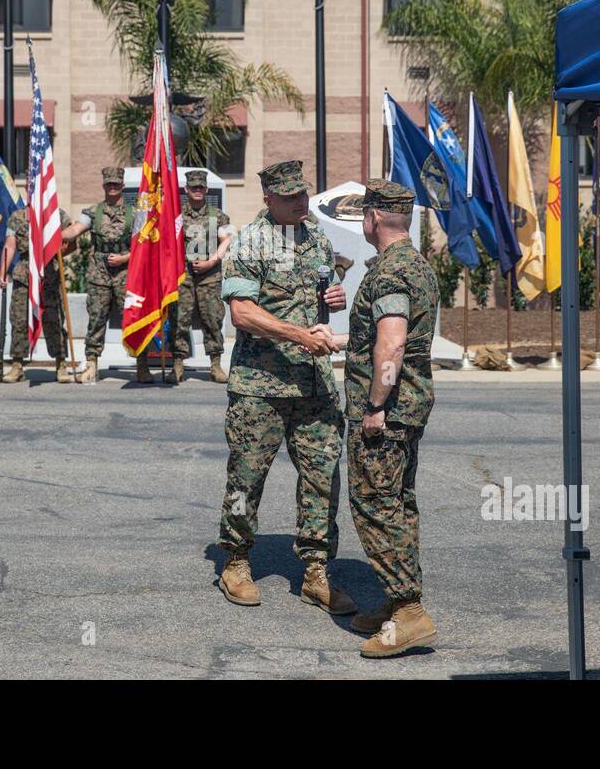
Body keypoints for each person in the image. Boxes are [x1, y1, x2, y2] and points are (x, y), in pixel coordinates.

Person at [214, 159, 355, 616]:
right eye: (291, 196)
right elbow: (243, 314)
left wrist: (334, 298)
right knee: (247, 476)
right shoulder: (249, 241)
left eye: (303, 195)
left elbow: (323, 293)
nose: (300, 202)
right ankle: (235, 560)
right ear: (268, 198)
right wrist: (299, 335)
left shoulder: (315, 236)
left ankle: (316, 570)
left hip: (313, 385)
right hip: (262, 385)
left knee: (321, 478)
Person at [331, 180, 439, 658]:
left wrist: (375, 406)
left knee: (375, 504)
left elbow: (392, 346)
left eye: (363, 214)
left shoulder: (391, 273)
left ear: (374, 217)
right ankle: (399, 602)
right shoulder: (415, 264)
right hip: (408, 407)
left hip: (388, 412)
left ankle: (410, 612)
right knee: (398, 503)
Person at [62, 166, 152, 383]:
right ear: (103, 186)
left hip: (127, 275)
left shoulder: (136, 213)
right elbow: (74, 230)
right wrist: (54, 233)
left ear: (122, 186)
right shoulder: (92, 212)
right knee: (96, 319)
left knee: (134, 319)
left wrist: (124, 258)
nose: (112, 187)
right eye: (108, 184)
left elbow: (144, 245)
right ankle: (91, 363)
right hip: (99, 276)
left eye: (116, 184)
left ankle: (142, 365)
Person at [0, 205, 74, 383]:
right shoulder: (16, 217)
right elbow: (10, 246)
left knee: (54, 320)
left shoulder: (57, 215)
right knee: (19, 320)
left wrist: (57, 252)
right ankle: (17, 365)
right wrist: (3, 272)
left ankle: (61, 364)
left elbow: (72, 243)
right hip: (24, 276)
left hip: (50, 276)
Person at [173, 169, 233, 384]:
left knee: (212, 320)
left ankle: (215, 365)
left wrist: (212, 261)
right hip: (183, 277)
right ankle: (177, 364)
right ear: (186, 189)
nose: (197, 191)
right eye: (193, 187)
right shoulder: (177, 215)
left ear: (206, 189)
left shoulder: (217, 216)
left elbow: (227, 239)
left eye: (201, 187)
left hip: (209, 276)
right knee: (180, 319)